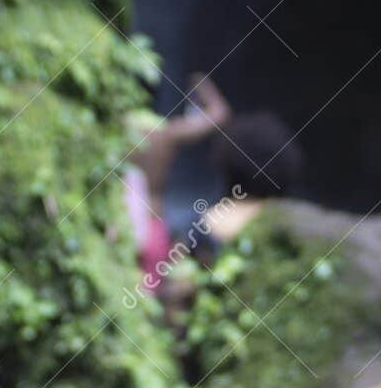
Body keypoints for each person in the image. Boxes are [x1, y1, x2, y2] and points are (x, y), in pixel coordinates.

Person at [125, 76, 300, 292]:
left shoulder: (119, 133)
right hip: (154, 227)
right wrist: (201, 84)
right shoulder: (165, 133)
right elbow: (220, 113)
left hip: (126, 223)